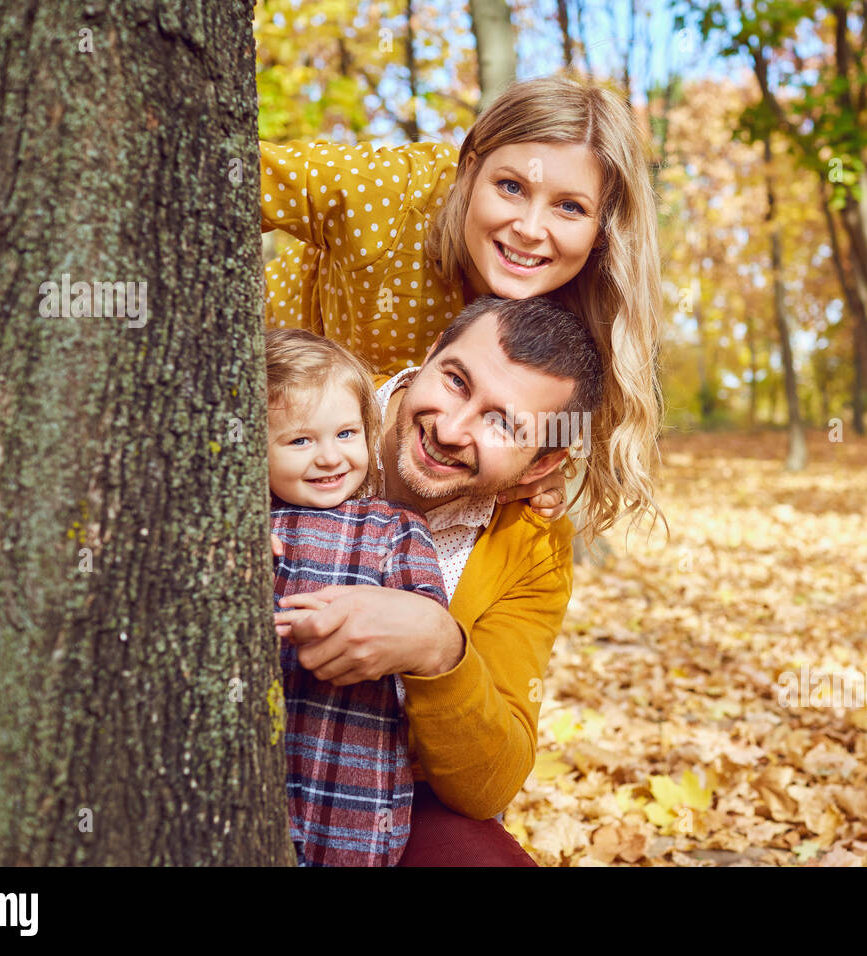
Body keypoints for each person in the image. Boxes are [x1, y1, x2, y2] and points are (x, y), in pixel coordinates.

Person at [260, 72, 664, 541]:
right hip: (269, 406)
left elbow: (542, 431)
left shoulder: (580, 308)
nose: (530, 228)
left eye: (570, 207)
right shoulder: (387, 193)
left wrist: (531, 468)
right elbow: (223, 173)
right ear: (469, 170)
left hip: (357, 501)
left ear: (603, 229)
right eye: (511, 187)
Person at [273, 294, 603, 865]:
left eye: (503, 424)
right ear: (428, 356)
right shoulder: (312, 394)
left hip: (380, 789)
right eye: (454, 380)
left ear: (542, 465)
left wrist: (438, 646)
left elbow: (489, 783)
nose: (450, 430)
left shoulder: (532, 543)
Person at [266, 329, 449, 866]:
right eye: (300, 441)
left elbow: (426, 620)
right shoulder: (252, 523)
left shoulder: (395, 529)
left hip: (355, 766)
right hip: (271, 756)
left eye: (345, 433)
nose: (328, 457)